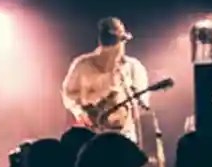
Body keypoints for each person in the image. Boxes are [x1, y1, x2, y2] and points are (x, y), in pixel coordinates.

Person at [61, 17, 150, 146]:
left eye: (118, 42)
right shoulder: (82, 65)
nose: (115, 48)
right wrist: (81, 112)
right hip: (93, 136)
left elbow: (143, 104)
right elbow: (69, 95)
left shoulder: (133, 67)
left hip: (125, 136)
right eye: (110, 44)